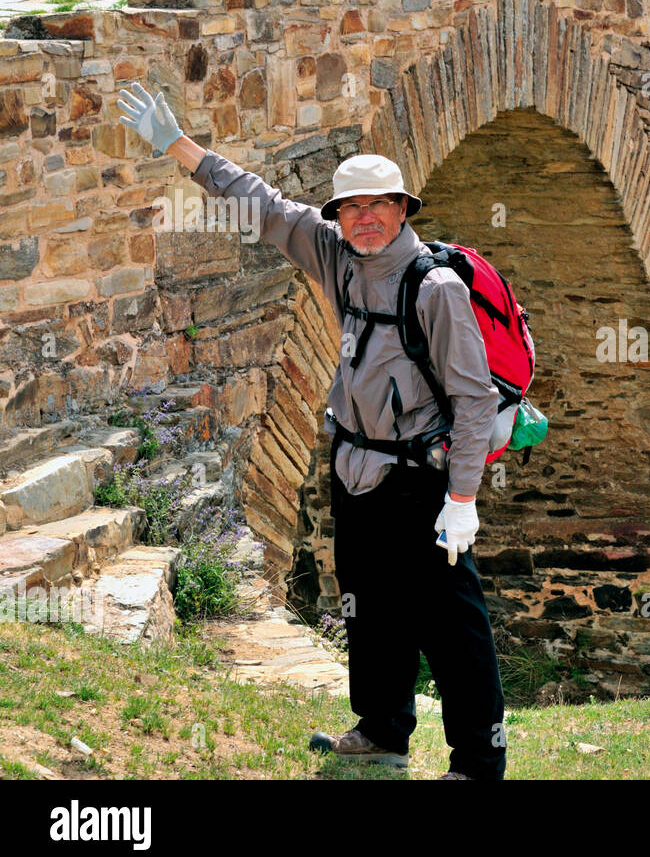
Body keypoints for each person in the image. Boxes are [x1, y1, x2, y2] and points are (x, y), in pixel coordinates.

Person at [117, 82, 507, 779]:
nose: (364, 219)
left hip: (423, 480)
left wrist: (464, 498)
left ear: (401, 209)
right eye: (351, 207)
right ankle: (382, 728)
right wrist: (181, 149)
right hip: (355, 468)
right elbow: (263, 206)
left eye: (378, 206)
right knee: (369, 605)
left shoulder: (435, 287)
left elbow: (474, 399)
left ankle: (478, 760)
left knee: (452, 624)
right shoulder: (333, 253)